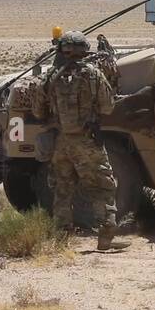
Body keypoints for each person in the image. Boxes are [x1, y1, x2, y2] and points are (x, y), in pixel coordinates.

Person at [31, 30, 129, 251]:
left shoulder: (50, 76)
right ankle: (105, 239)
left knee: (62, 190)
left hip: (60, 143)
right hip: (87, 142)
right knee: (102, 187)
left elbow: (38, 111)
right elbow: (108, 106)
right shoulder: (93, 75)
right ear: (84, 50)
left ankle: (61, 240)